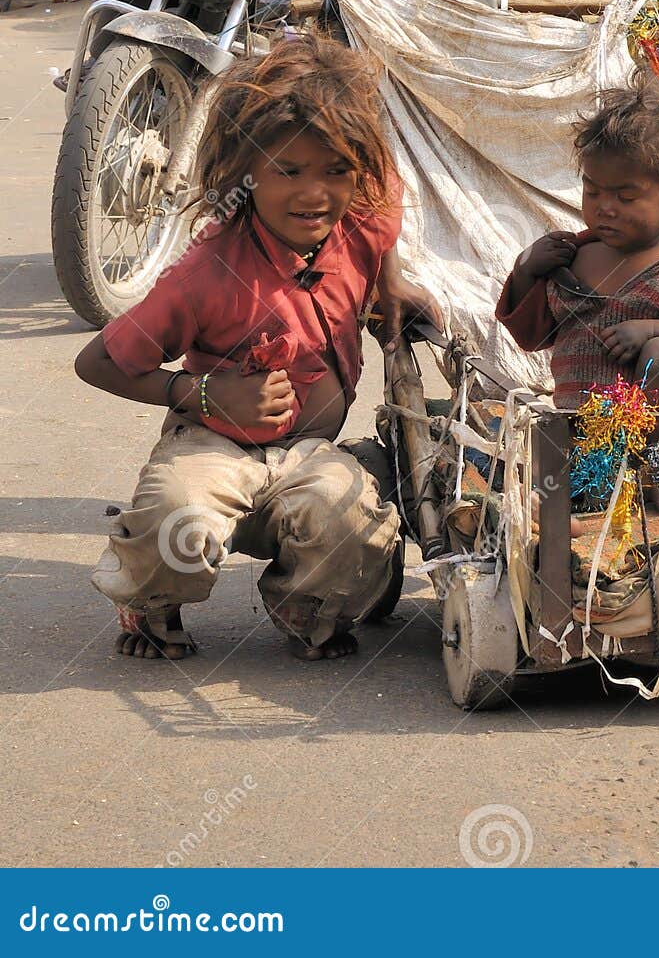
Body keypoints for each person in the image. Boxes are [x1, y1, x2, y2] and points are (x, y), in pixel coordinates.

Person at [74, 35, 442, 662]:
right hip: (214, 447)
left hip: (308, 454)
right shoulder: (207, 271)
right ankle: (148, 602)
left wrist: (392, 287)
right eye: (287, 171)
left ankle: (307, 610)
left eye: (335, 171)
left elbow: (382, 224)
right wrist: (208, 392)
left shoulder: (361, 218)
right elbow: (97, 361)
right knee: (177, 519)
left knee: (350, 524)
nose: (315, 194)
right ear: (245, 171)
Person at [495, 80, 659, 513]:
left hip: (657, 435)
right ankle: (587, 493)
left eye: (625, 195)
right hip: (584, 428)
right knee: (552, 493)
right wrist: (526, 271)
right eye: (592, 191)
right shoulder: (571, 258)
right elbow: (530, 334)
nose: (605, 207)